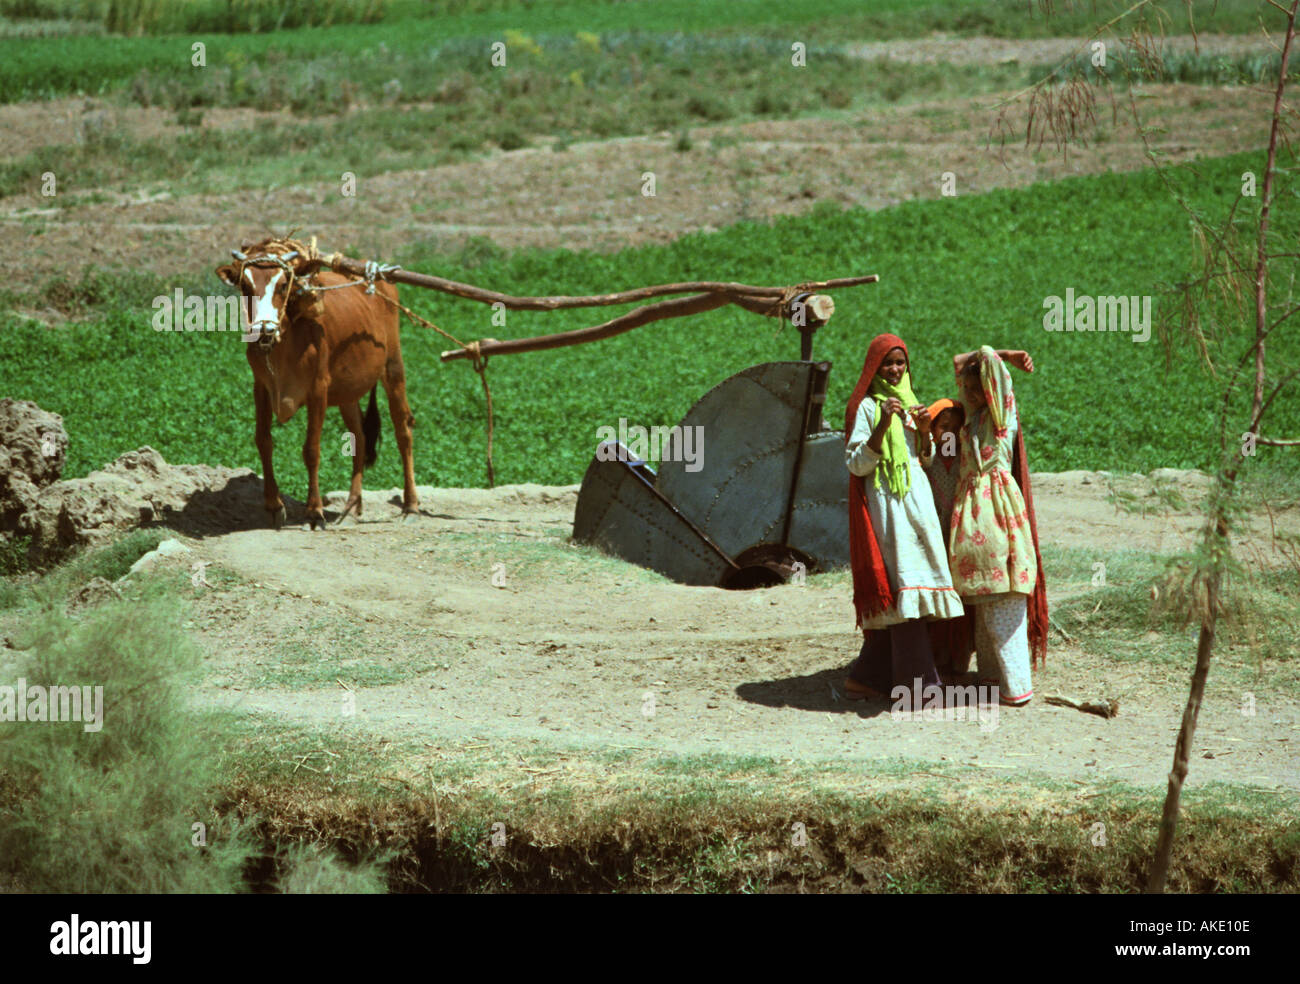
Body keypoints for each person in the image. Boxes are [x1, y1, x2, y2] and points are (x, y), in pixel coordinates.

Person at [842, 334, 964, 702]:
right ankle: (918, 687)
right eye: (888, 364)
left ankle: (868, 676)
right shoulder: (866, 408)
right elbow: (857, 464)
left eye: (900, 363)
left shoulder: (912, 405)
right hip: (887, 503)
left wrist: (924, 431)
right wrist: (882, 423)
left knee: (914, 584)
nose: (895, 370)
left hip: (916, 500)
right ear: (874, 368)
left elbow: (924, 460)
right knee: (904, 583)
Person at [947, 346, 1048, 706]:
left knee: (1003, 602)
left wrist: (1001, 356)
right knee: (986, 604)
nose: (971, 394)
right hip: (973, 515)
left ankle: (1016, 684)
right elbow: (960, 362)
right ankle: (994, 678)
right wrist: (996, 354)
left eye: (979, 388)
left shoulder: (1001, 418)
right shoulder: (972, 418)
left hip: (997, 516)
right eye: (967, 388)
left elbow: (989, 370)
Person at [923, 397, 974, 680]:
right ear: (930, 428)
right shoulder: (925, 459)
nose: (950, 435)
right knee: (936, 603)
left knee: (960, 603)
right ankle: (936, 658)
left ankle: (958, 659)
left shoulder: (965, 460)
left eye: (956, 428)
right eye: (944, 427)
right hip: (933, 542)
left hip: (959, 541)